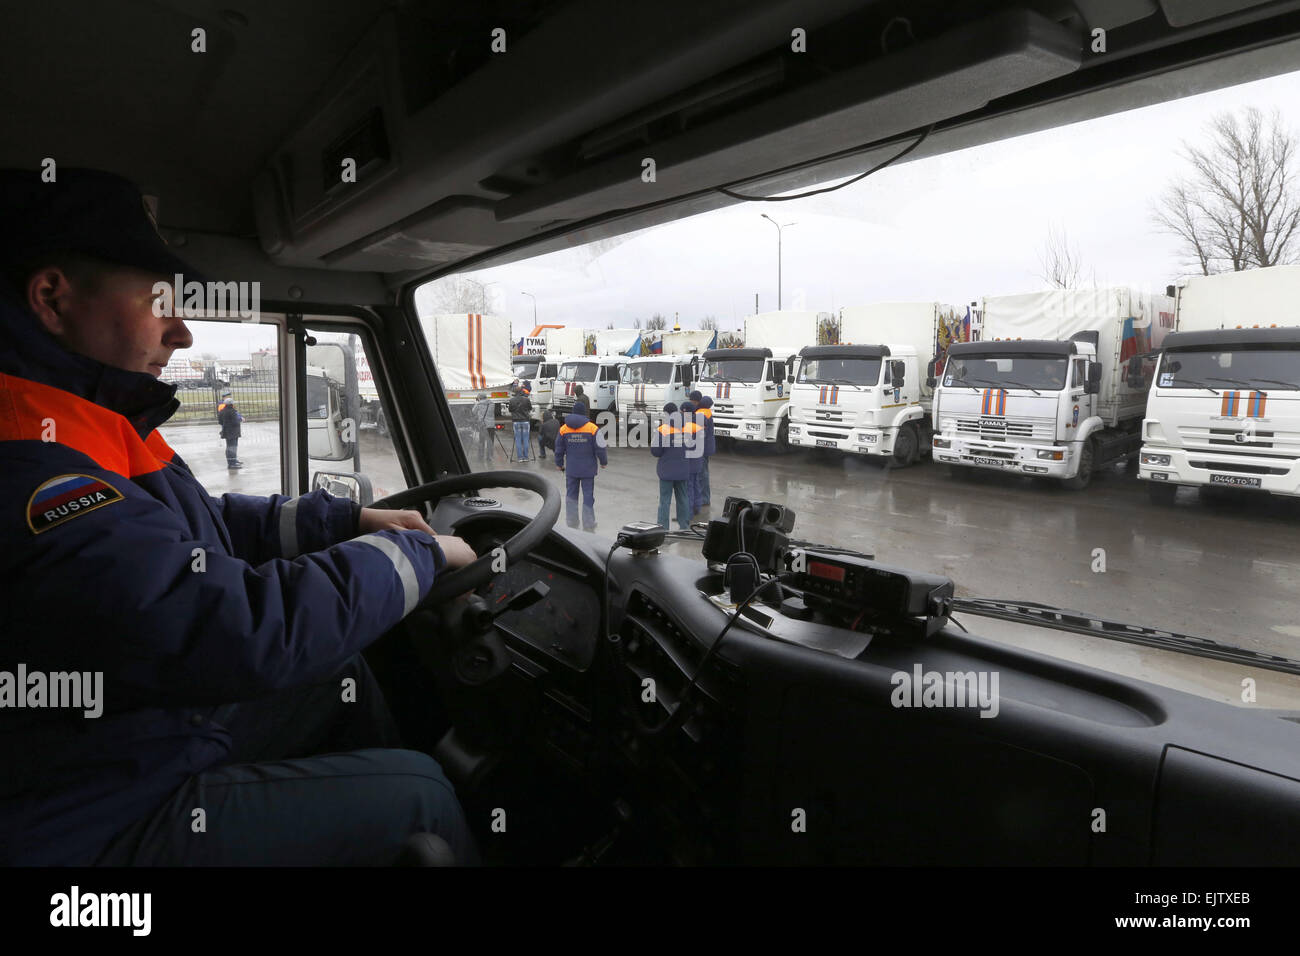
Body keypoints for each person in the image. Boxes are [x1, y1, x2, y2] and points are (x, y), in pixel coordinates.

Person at [0, 168, 480, 866]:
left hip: (118, 731)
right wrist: (420, 556)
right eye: (161, 302)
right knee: (421, 796)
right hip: (76, 815)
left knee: (333, 672)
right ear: (51, 297)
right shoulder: (25, 462)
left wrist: (341, 525)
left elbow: (196, 529)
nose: (184, 333)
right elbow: (221, 625)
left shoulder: (76, 422)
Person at [553, 401, 607, 532]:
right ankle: (588, 523)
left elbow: (559, 449)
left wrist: (559, 464)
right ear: (584, 413)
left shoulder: (564, 428)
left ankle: (572, 522)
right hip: (588, 469)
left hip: (571, 469)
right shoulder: (592, 428)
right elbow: (600, 448)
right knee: (588, 496)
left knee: (571, 495)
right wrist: (603, 462)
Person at [652, 402, 691, 530]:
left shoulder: (663, 429)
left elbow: (656, 451)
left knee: (664, 501)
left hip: (666, 472)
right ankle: (684, 525)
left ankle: (663, 528)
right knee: (683, 498)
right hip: (683, 470)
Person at [689, 391, 715, 510]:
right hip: (705, 447)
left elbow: (700, 433)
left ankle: (704, 499)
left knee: (702, 474)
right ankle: (704, 498)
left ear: (696, 401)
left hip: (702, 448)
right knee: (702, 473)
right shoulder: (704, 411)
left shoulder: (701, 413)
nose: (691, 403)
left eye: (692, 401)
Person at [680, 399, 704, 519]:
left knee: (687, 488)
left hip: (688, 462)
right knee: (696, 485)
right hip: (698, 461)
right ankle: (697, 508)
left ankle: (687, 514)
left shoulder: (685, 427)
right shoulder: (699, 424)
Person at [217, 389, 244, 469]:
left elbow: (220, 421)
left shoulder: (222, 411)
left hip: (226, 431)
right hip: (232, 432)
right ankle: (232, 464)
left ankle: (232, 461)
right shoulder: (231, 411)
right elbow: (235, 421)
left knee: (230, 447)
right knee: (232, 447)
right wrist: (240, 420)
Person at [508, 384, 532, 461]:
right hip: (525, 421)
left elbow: (510, 410)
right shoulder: (526, 399)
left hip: (516, 421)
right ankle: (526, 457)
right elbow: (530, 408)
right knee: (525, 439)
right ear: (521, 391)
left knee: (518, 439)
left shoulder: (512, 400)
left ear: (515, 392)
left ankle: (520, 458)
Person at [470, 391, 494, 464]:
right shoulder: (492, 404)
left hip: (483, 425)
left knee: (482, 441)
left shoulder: (478, 404)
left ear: (480, 397)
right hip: (491, 425)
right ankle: (489, 457)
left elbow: (473, 412)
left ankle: (481, 456)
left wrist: (477, 403)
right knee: (490, 442)